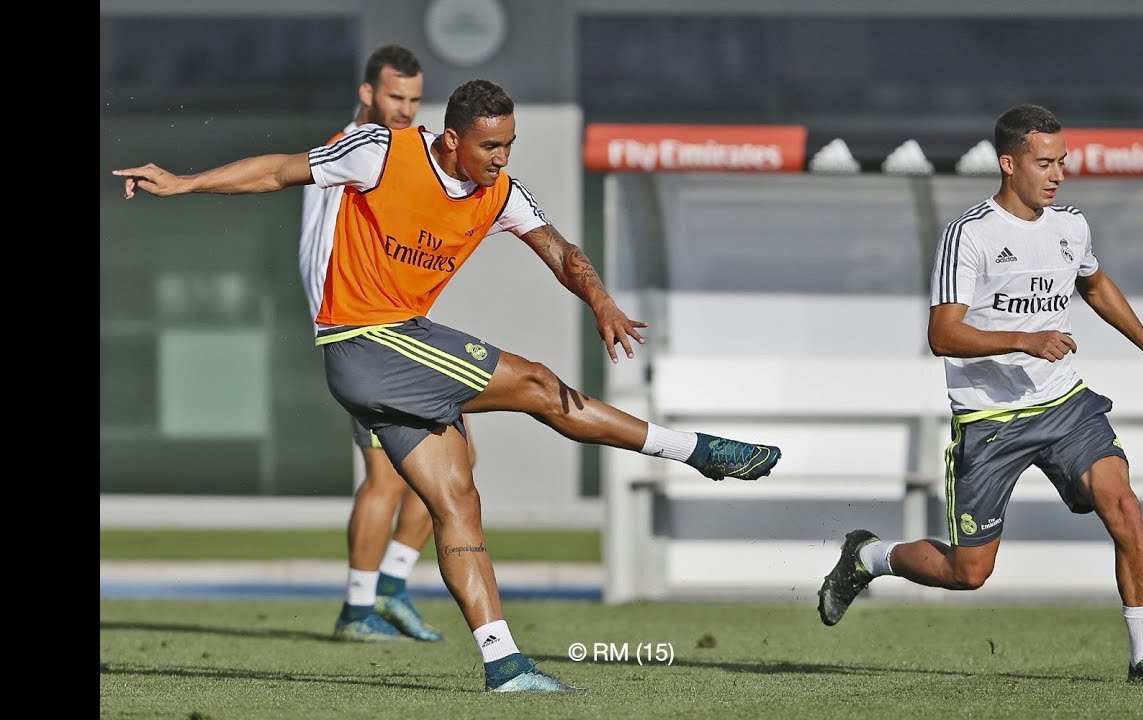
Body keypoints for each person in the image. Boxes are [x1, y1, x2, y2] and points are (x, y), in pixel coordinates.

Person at [114, 78, 782, 693]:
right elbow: (278, 171)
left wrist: (600, 300)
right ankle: (692, 451)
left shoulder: (499, 190)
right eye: (491, 145)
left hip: (390, 355)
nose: (502, 157)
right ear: (453, 138)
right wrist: (183, 184)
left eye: (510, 144)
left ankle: (504, 663)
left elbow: (562, 252)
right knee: (540, 385)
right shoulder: (381, 153)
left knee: (457, 501)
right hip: (368, 340)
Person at [815, 103, 1143, 685]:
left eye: (1063, 161)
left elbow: (1094, 281)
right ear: (1009, 165)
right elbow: (942, 334)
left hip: (1063, 405)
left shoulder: (1071, 225)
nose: (1057, 174)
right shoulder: (971, 235)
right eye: (1044, 163)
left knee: (1124, 507)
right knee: (968, 573)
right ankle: (869, 557)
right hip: (991, 418)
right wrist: (1024, 340)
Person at [299, 45, 468, 643]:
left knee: (453, 462)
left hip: (389, 334)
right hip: (361, 337)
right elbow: (321, 256)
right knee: (388, 474)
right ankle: (360, 606)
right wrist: (346, 329)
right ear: (369, 93)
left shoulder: (393, 155)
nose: (405, 109)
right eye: (395, 97)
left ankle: (388, 588)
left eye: (415, 100)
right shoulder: (353, 152)